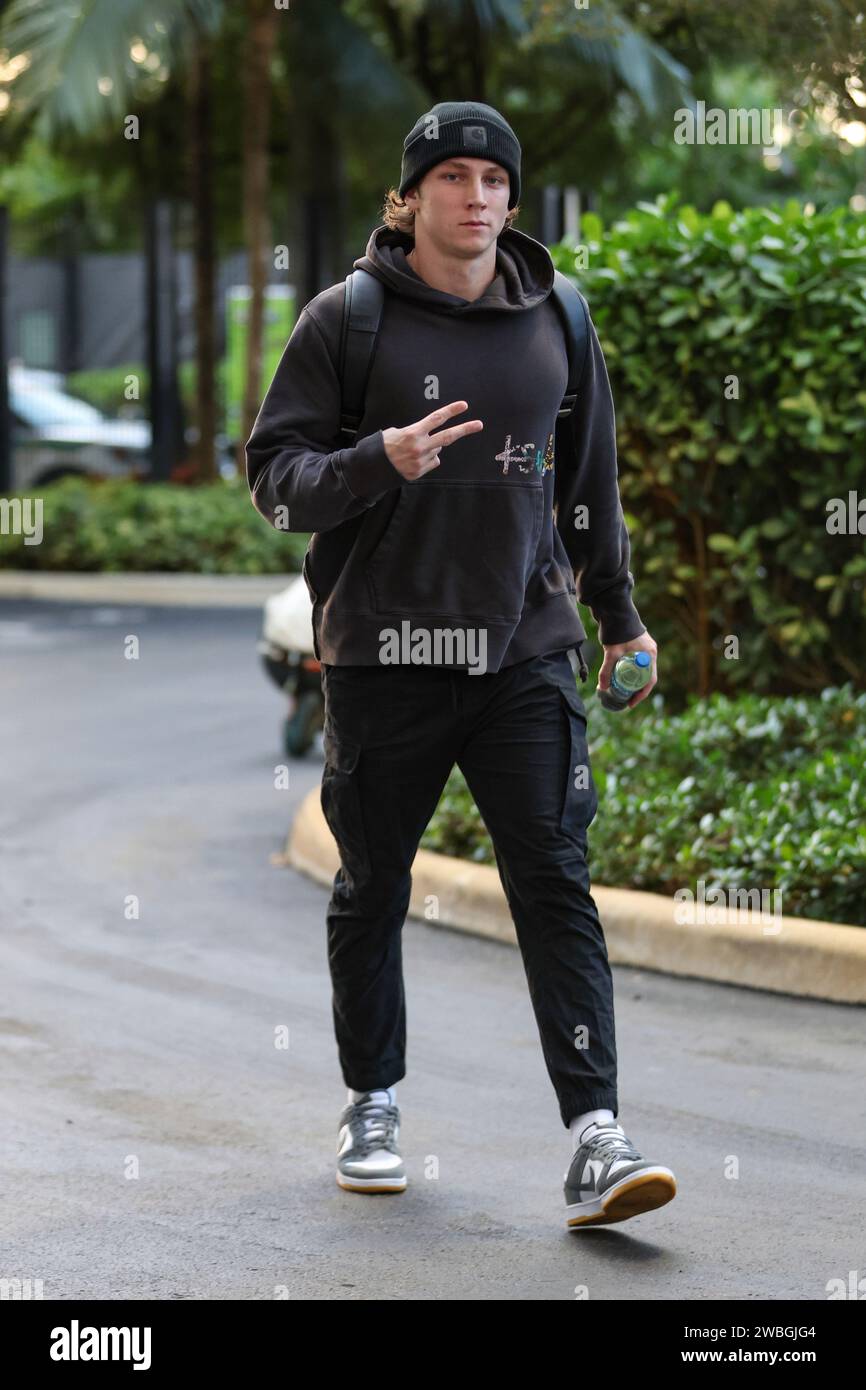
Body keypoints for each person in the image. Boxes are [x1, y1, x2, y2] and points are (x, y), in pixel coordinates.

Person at [245, 100, 677, 1229]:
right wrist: (374, 462)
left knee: (552, 878)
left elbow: (586, 486)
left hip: (524, 650)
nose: (475, 197)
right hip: (384, 654)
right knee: (372, 886)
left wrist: (619, 617)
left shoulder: (559, 317)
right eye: (452, 177)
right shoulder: (349, 319)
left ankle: (596, 1135)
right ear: (413, 194)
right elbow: (275, 481)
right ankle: (372, 1100)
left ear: (509, 199)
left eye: (493, 179)